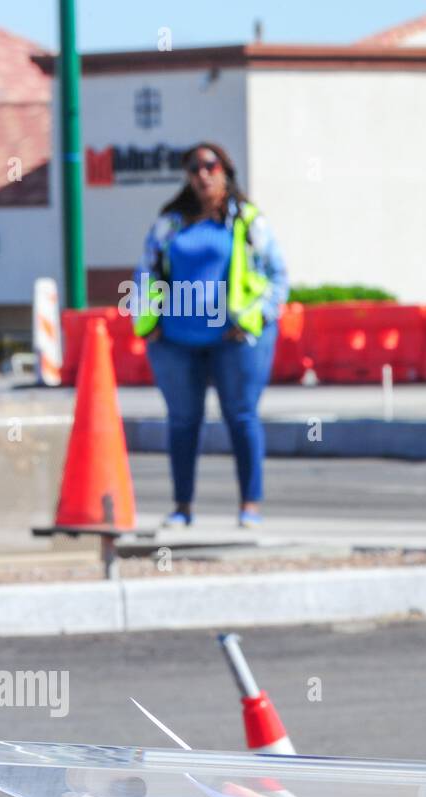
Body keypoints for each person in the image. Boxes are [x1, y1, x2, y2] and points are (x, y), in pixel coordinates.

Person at [131, 142, 289, 528]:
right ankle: (182, 507)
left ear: (225, 171)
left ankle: (250, 505)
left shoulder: (249, 222)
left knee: (241, 416)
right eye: (193, 168)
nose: (202, 174)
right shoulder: (170, 222)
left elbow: (277, 279)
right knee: (182, 422)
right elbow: (146, 273)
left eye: (210, 166)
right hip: (176, 341)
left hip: (234, 341)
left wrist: (255, 318)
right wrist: (148, 321)